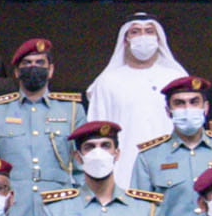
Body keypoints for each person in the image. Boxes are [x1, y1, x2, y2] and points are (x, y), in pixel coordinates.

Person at [133, 77, 212, 216]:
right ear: (168, 111)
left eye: (194, 102)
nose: (187, 109)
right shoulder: (149, 157)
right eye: (179, 103)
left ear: (205, 107)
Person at [78, 13, 191, 147]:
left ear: (158, 39)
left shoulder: (175, 78)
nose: (143, 36)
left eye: (149, 31)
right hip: (124, 161)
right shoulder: (107, 81)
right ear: (125, 40)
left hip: (169, 161)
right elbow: (97, 130)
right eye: (135, 32)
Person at [0, 38, 81, 185]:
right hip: (14, 200)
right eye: (27, 63)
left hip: (59, 201)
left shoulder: (72, 110)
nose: (33, 67)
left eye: (40, 63)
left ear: (51, 70)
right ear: (16, 72)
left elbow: (82, 167)